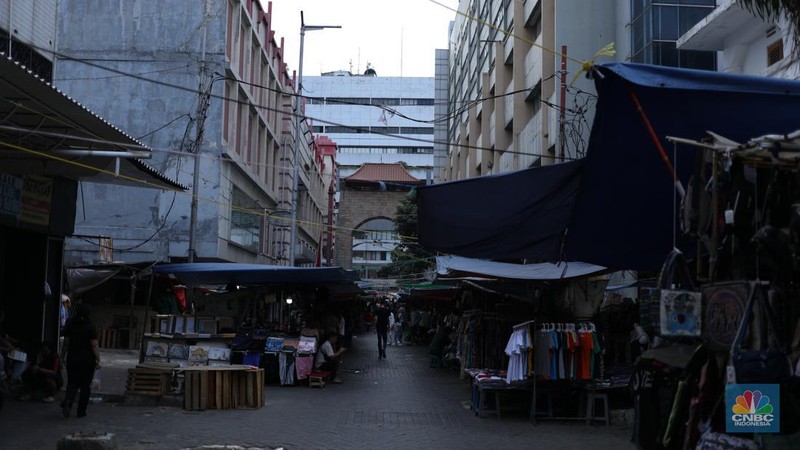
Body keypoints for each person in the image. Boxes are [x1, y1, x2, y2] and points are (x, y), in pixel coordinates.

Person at [60, 303, 100, 418]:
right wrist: (98, 359)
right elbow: (94, 344)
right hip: (87, 361)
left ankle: (68, 400)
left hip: (72, 359)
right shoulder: (90, 326)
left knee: (72, 383)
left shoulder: (70, 324)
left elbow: (66, 343)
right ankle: (81, 411)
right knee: (85, 386)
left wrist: (62, 357)